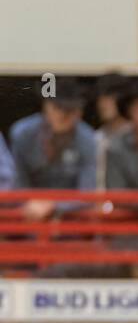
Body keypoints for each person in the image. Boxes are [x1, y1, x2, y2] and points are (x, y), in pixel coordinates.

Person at [8, 79, 97, 219]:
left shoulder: (88, 139)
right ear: (46, 106)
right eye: (58, 107)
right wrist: (30, 202)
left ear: (79, 112)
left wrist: (54, 205)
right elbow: (17, 181)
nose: (64, 115)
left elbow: (87, 191)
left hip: (70, 219)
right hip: (28, 213)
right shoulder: (23, 133)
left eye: (71, 109)